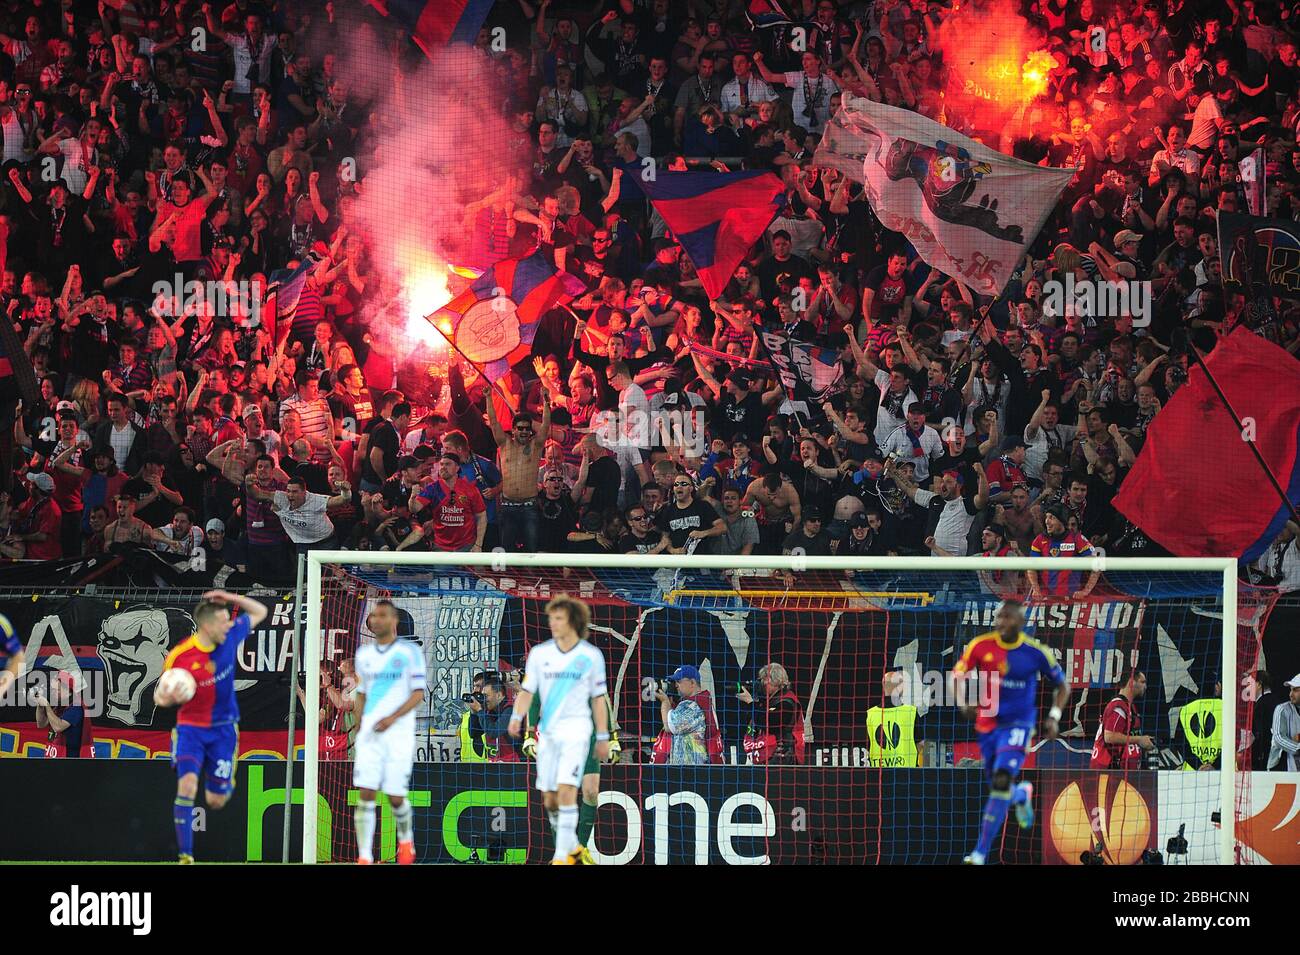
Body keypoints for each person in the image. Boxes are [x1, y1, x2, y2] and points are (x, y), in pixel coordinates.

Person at [154, 591, 269, 864]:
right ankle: (185, 856)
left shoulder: (229, 637)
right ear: (207, 626)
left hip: (223, 730)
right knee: (187, 786)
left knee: (215, 800)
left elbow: (260, 612)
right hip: (190, 730)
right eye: (223, 621)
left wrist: (229, 596)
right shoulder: (179, 656)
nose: (229, 625)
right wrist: (168, 697)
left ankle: (220, 779)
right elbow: (158, 696)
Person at [953, 600, 1069, 865]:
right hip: (988, 726)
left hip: (1018, 726)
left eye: (1007, 617)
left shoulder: (1035, 652)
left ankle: (980, 853)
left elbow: (1062, 686)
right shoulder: (980, 645)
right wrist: (962, 702)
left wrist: (1053, 716)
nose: (1000, 622)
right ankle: (1022, 794)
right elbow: (957, 676)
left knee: (1002, 780)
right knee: (999, 787)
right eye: (998, 617)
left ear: (1020, 621)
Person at [508, 595, 609, 865]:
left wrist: (604, 736)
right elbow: (529, 692)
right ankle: (573, 847)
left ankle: (563, 855)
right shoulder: (540, 654)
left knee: (568, 790)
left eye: (559, 618)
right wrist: (520, 720)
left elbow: (600, 699)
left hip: (577, 730)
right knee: (550, 798)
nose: (552, 623)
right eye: (551, 618)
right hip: (549, 733)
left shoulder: (590, 656)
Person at [349, 599, 426, 865]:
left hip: (397, 733)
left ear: (393, 621)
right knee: (366, 793)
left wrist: (392, 718)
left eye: (382, 615)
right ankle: (365, 856)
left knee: (395, 796)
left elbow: (418, 694)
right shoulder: (364, 656)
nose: (376, 619)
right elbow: (361, 695)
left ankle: (406, 841)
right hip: (371, 734)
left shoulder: (409, 654)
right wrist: (360, 728)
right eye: (373, 615)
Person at [738, 663, 806, 764]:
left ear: (775, 681)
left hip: (784, 757)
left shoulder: (787, 702)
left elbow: (769, 724)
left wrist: (751, 703)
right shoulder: (771, 700)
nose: (762, 684)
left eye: (764, 679)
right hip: (770, 756)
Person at [1089, 667, 1155, 770]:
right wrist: (1139, 740)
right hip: (1107, 769)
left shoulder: (1129, 707)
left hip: (1120, 768)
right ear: (1131, 682)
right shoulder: (1118, 706)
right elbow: (1109, 737)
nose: (1145, 686)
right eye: (1142, 682)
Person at [655, 664, 720, 765]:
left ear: (692, 682)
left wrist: (664, 702)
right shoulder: (701, 700)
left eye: (679, 681)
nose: (676, 685)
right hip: (695, 767)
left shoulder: (693, 705)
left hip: (691, 770)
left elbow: (670, 726)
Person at [1267, 673, 1300, 771]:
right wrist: (1298, 748)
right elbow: (1279, 738)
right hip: (1282, 766)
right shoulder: (1282, 709)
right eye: (1291, 689)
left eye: (1295, 690)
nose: (1290, 694)